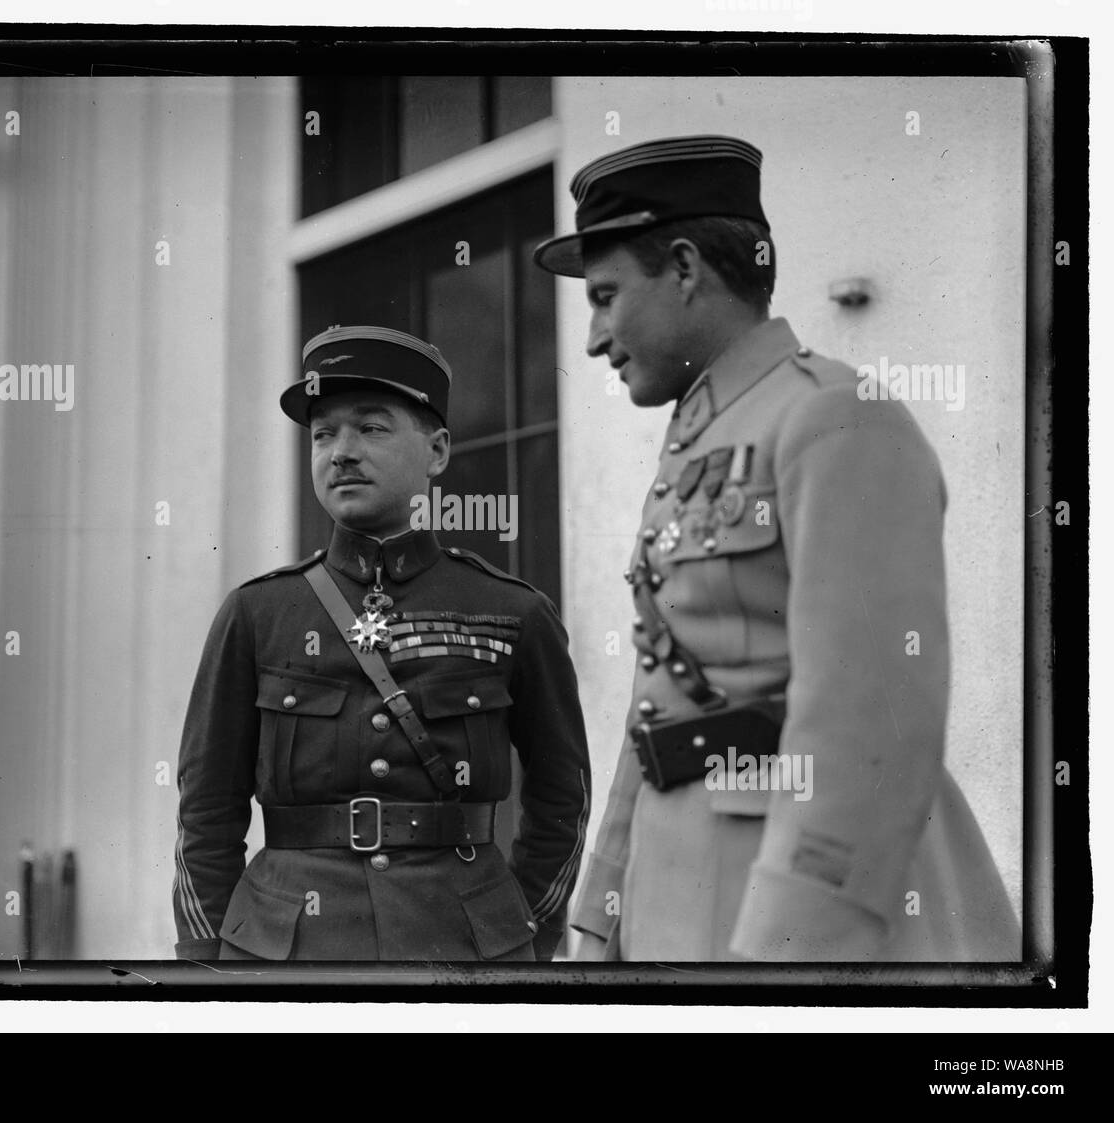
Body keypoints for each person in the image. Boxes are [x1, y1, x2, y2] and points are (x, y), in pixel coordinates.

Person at [532, 135, 1020, 961]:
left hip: (798, 917)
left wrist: (789, 953)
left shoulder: (836, 418)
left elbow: (869, 721)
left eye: (607, 296)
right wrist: (601, 910)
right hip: (677, 901)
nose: (592, 338)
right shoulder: (699, 442)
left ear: (684, 267)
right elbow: (660, 706)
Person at [172, 325, 590, 961]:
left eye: (370, 428)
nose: (341, 452)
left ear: (438, 451)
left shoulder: (512, 612)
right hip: (284, 956)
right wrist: (207, 965)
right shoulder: (256, 614)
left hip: (464, 951)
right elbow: (206, 809)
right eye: (323, 433)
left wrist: (519, 935)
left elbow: (564, 797)